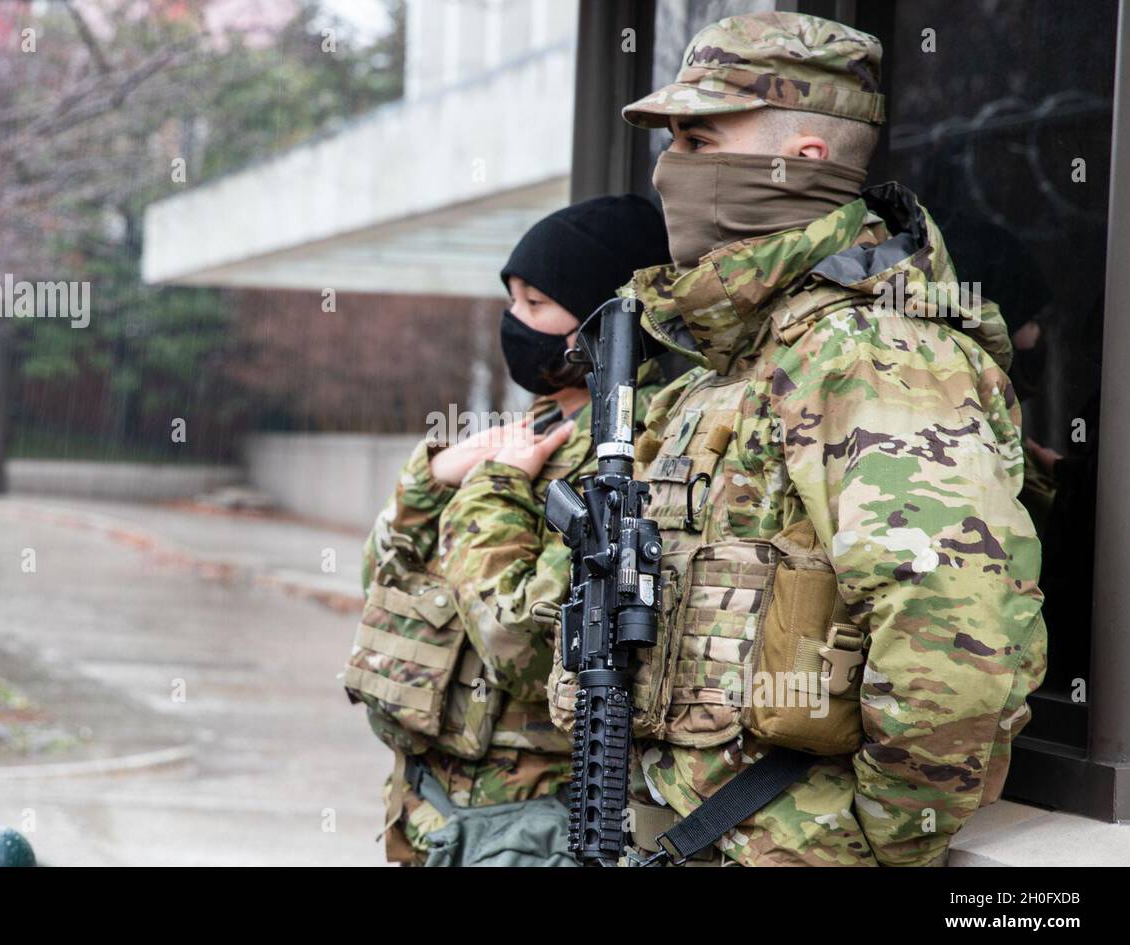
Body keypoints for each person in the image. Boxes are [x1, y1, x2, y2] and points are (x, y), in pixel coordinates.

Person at [548, 11, 1046, 867]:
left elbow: (953, 638)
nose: (670, 171)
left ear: (802, 162)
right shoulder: (726, 366)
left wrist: (883, 845)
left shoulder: (874, 354)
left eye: (699, 140)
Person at [348, 195, 671, 864]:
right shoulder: (536, 428)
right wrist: (432, 478)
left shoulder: (632, 455)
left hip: (527, 821)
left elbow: (520, 641)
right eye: (511, 300)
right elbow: (386, 580)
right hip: (433, 808)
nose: (513, 322)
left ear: (598, 320)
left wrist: (492, 488)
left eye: (535, 304)